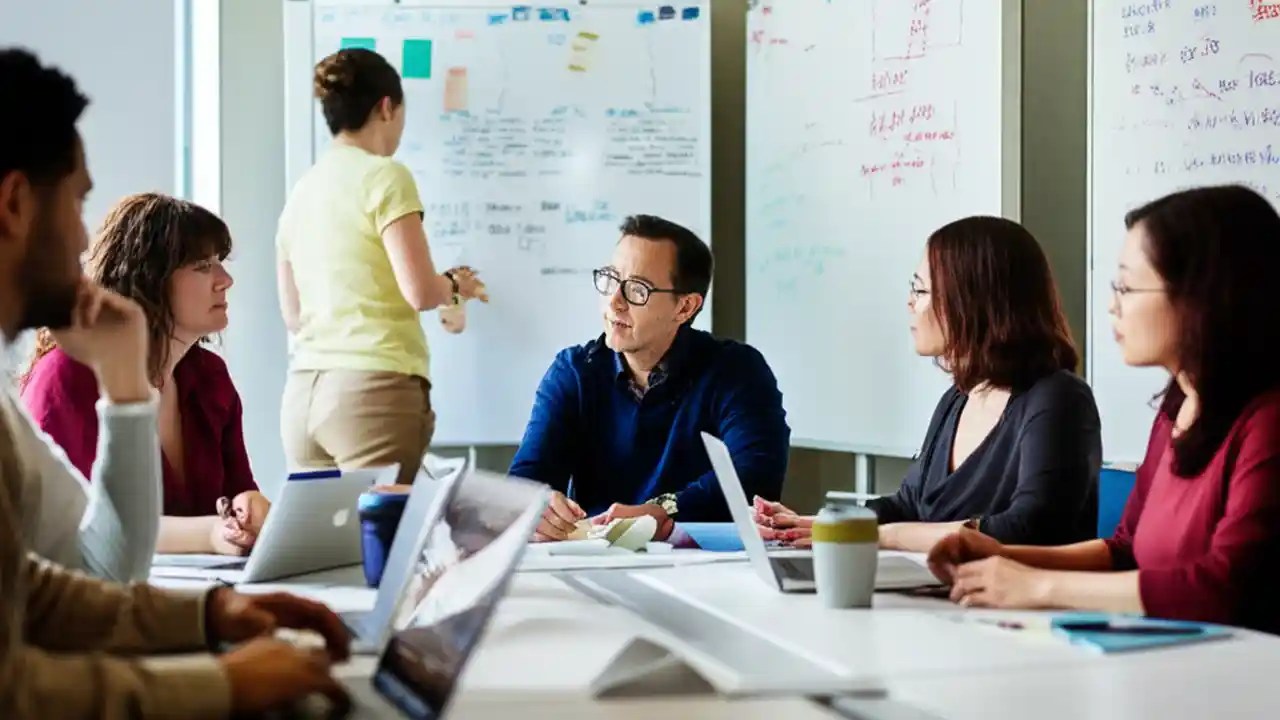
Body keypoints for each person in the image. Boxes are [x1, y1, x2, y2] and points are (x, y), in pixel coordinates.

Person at [0, 46, 351, 717]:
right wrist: (225, 683)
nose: (83, 241)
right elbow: (12, 688)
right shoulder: (53, 383)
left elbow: (71, 580)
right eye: (77, 203)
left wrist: (210, 615)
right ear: (16, 203)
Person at [928, 186, 1280, 633]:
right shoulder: (1177, 409)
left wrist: (1038, 586)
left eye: (1127, 287)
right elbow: (1126, 550)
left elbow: (1225, 588)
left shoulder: (1268, 421)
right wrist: (1001, 555)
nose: (1112, 305)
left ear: (1201, 297)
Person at [755, 216, 1100, 552]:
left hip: (1014, 592)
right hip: (941, 586)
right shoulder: (958, 398)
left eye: (920, 290)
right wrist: (827, 523)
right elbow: (908, 504)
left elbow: (1028, 528)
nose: (909, 303)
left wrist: (889, 537)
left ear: (972, 301)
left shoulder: (1059, 398)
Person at [509, 214, 790, 540]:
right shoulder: (574, 371)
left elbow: (755, 477)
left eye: (637, 289)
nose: (615, 301)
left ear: (684, 308)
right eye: (611, 279)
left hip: (700, 561)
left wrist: (663, 511)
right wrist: (537, 505)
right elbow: (526, 481)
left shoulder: (736, 370)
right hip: (593, 556)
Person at [276, 48, 485, 486]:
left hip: (303, 398)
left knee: (325, 533)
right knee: (386, 529)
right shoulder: (386, 176)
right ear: (387, 107)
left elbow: (293, 315)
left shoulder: (303, 190)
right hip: (371, 393)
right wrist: (454, 285)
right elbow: (420, 292)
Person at [22, 193, 268, 556]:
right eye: (203, 266)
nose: (226, 279)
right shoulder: (66, 378)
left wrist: (252, 511)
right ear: (149, 278)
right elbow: (78, 528)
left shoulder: (210, 377)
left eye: (220, 262)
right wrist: (210, 535)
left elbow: (239, 495)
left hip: (196, 585)